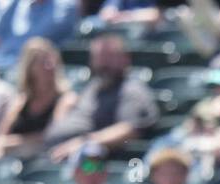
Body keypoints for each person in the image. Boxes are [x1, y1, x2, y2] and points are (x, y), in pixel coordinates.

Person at [43, 31, 161, 163]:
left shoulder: (131, 90)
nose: (103, 64)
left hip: (89, 164)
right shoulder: (92, 88)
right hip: (54, 153)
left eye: (109, 57)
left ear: (125, 59)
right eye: (98, 57)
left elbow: (130, 129)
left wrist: (82, 144)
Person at [0, 37, 77, 160]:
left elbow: (53, 136)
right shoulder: (21, 101)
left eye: (51, 61)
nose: (49, 66)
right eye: (42, 62)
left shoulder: (66, 99)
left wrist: (15, 143)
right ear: (30, 68)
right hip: (14, 163)